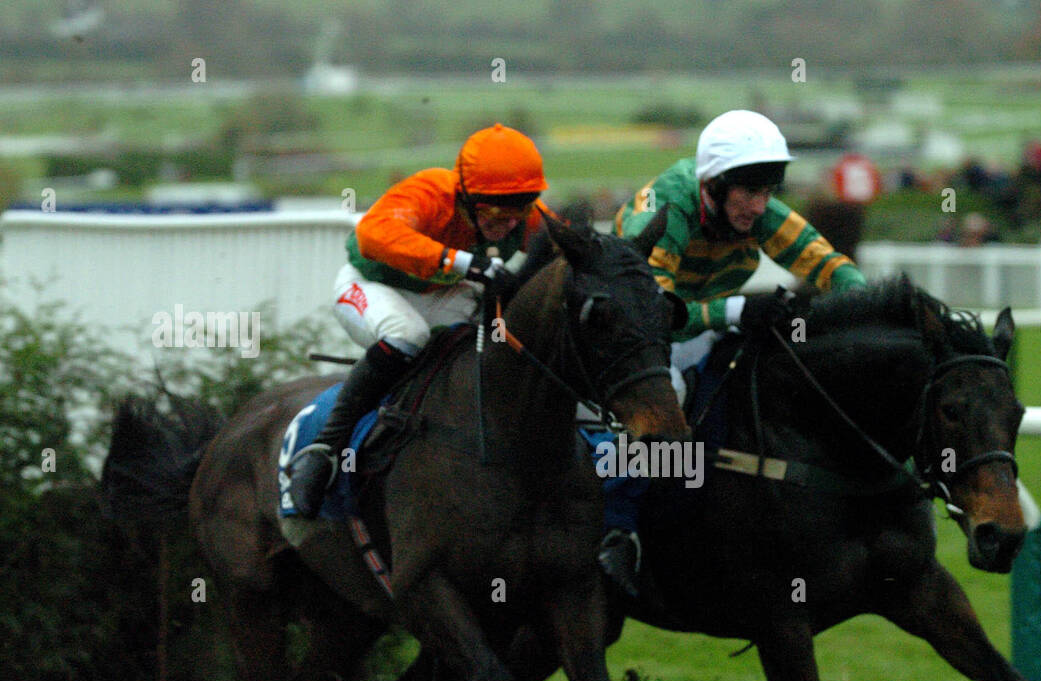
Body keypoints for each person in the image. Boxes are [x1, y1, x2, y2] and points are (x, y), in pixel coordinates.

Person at [600, 109, 869, 595]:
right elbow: (654, 314)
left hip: (693, 324)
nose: (758, 205)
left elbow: (824, 262)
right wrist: (736, 311)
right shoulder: (666, 208)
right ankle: (618, 527)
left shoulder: (753, 207)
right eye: (748, 192)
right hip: (632, 337)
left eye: (767, 192)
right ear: (714, 184)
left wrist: (872, 305)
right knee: (670, 396)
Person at [288, 123, 554, 518]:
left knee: (493, 330)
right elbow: (374, 234)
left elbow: (563, 241)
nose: (511, 223)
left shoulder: (519, 213)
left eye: (521, 208)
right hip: (372, 287)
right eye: (499, 212)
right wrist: (466, 262)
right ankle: (324, 450)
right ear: (466, 196)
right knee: (407, 334)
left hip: (441, 293)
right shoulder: (430, 190)